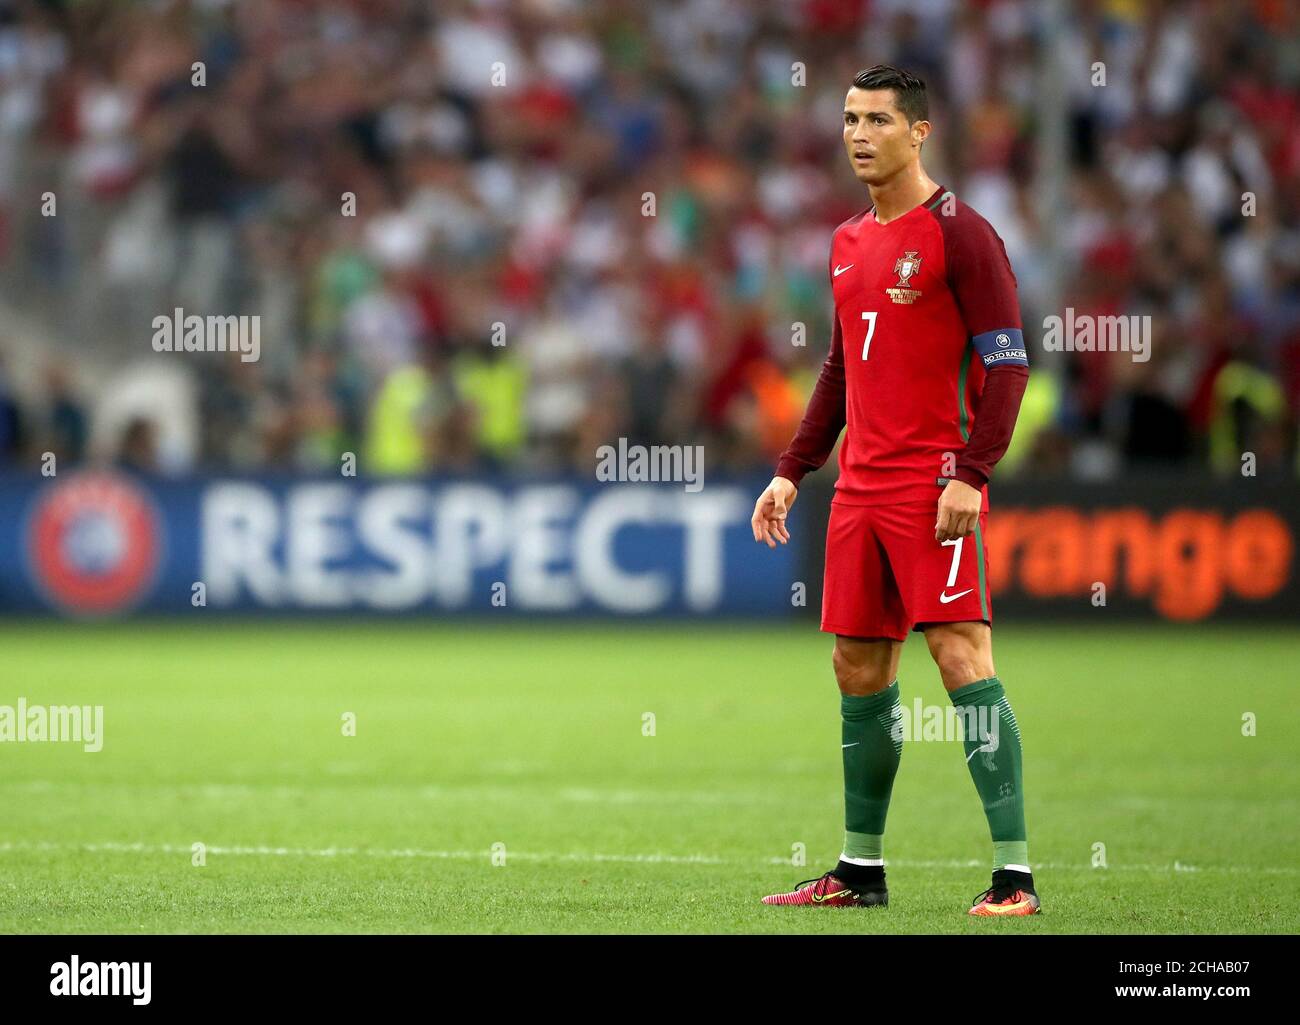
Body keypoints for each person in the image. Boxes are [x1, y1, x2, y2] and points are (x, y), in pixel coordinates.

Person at [751, 65, 1038, 916]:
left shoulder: (963, 234)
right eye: (848, 119)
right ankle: (860, 870)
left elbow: (1009, 366)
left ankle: (1014, 875)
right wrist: (791, 470)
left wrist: (972, 474)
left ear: (920, 131)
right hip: (858, 492)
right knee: (858, 666)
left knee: (961, 659)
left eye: (877, 119)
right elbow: (841, 370)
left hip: (932, 484)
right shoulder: (845, 241)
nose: (858, 134)